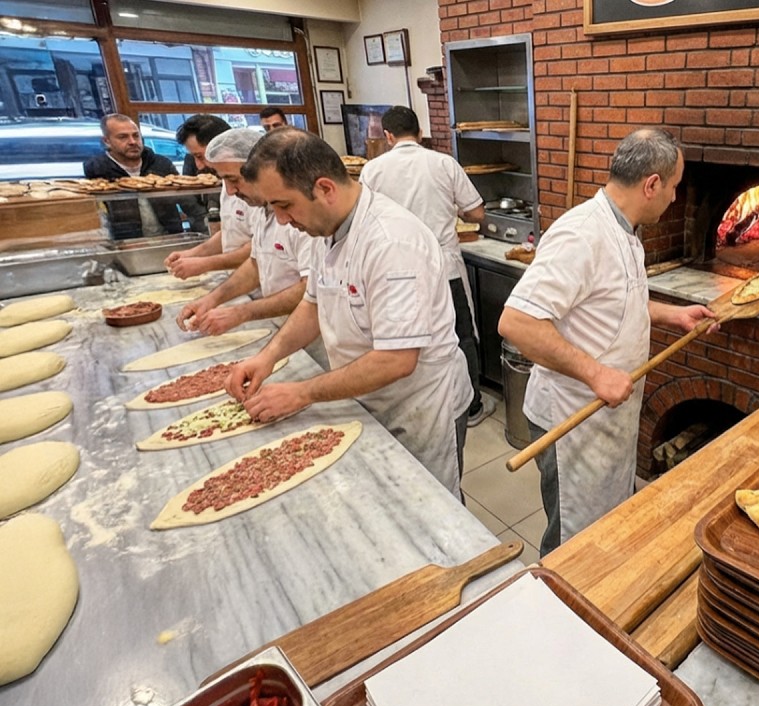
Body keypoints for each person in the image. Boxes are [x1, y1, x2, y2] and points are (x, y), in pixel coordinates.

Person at [498, 128, 716, 555]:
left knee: (602, 532)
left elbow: (612, 303)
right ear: (651, 184)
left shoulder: (627, 230)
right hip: (572, 421)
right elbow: (517, 322)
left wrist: (673, 315)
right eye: (673, 187)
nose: (675, 198)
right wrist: (596, 373)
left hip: (605, 419)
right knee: (571, 543)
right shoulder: (581, 234)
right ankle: (558, 612)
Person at [227, 129, 472, 499]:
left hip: (417, 409)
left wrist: (301, 393)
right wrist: (267, 357)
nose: (280, 220)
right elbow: (313, 303)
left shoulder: (392, 243)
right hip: (366, 397)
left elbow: (396, 361)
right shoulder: (327, 228)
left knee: (430, 515)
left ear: (325, 189)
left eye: (284, 204)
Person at [358, 105, 492, 427]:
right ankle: (471, 406)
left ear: (388, 136)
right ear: (419, 133)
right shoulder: (444, 163)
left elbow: (365, 221)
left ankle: (421, 407)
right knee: (461, 336)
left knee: (407, 343)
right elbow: (477, 214)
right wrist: (453, 212)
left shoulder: (371, 171)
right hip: (444, 269)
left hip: (395, 274)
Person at [177, 128, 311, 336]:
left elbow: (310, 289)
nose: (230, 191)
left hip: (310, 331)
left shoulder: (301, 215)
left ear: (260, 170)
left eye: (234, 180)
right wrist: (211, 300)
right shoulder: (260, 208)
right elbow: (256, 264)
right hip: (280, 323)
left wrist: (242, 313)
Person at [164, 115, 254, 279]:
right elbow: (230, 231)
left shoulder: (255, 189)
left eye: (200, 156)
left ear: (222, 147)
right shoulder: (227, 185)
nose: (198, 166)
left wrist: (207, 263)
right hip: (238, 282)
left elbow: (262, 247)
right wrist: (192, 254)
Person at [83, 114, 186, 240]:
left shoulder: (161, 164)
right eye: (123, 137)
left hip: (170, 239)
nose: (132, 142)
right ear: (107, 141)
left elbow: (187, 200)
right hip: (126, 244)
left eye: (136, 135)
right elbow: (96, 215)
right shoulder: (97, 169)